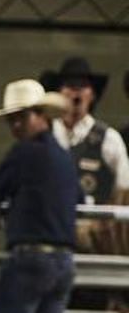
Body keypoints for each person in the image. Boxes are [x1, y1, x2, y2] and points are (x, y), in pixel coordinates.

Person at [0, 78, 79, 313]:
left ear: (41, 116)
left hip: (30, 259)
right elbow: (79, 197)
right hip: (63, 262)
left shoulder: (24, 153)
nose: (16, 126)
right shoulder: (63, 157)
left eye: (21, 118)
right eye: (12, 120)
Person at [41, 57, 129, 214]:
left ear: (92, 95)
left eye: (82, 86)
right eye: (70, 86)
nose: (76, 92)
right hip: (51, 226)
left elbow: (124, 189)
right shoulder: (44, 135)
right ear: (58, 93)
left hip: (94, 230)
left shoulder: (109, 139)